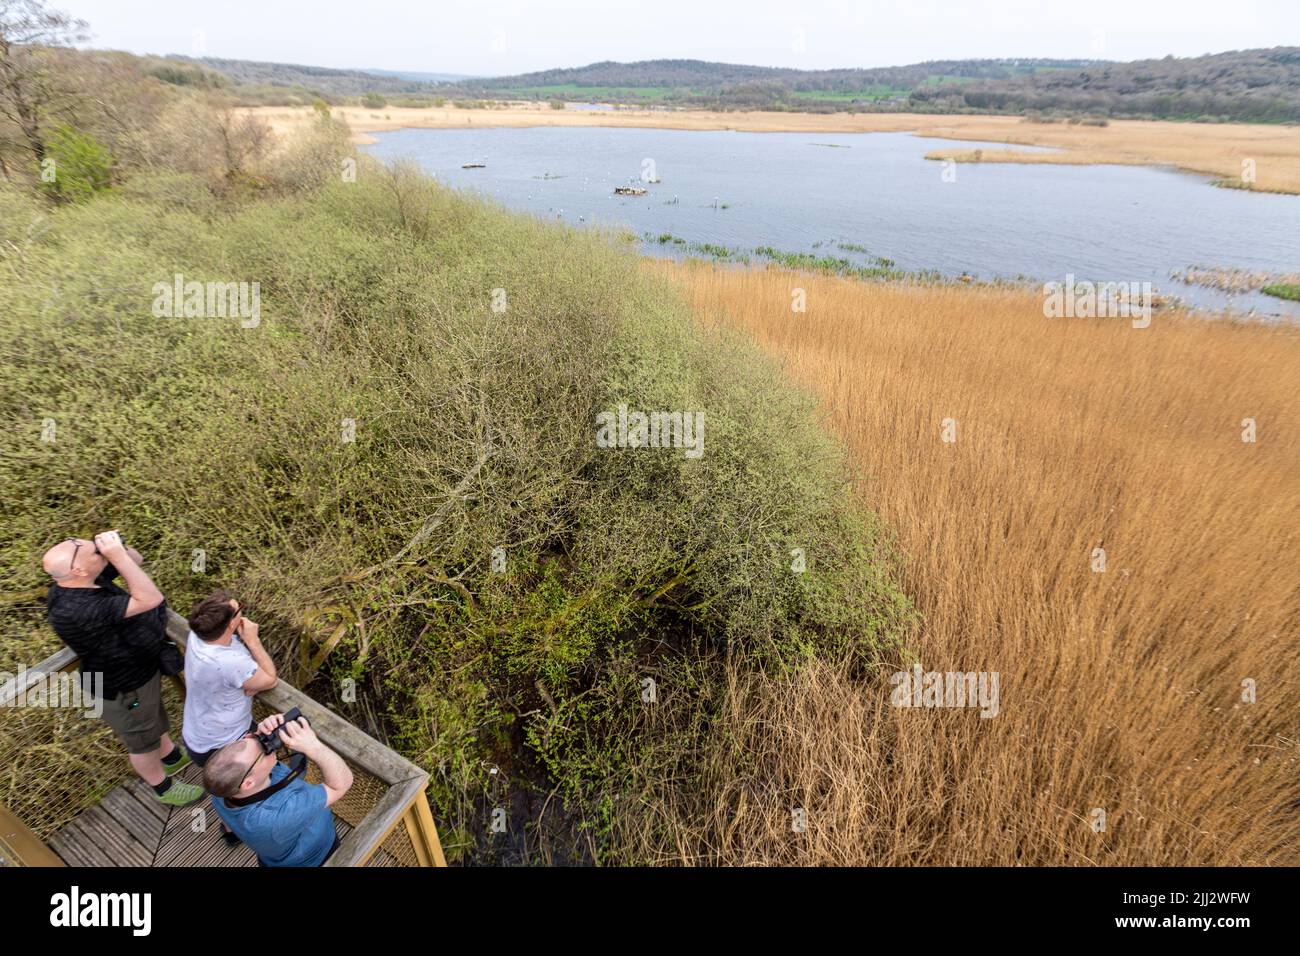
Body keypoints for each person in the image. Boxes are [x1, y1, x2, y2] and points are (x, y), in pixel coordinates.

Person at [42, 530, 203, 806]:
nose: (101, 551)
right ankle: (163, 788)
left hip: (139, 674)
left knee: (153, 721)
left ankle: (173, 759)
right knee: (141, 741)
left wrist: (117, 548)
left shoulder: (83, 579)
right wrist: (114, 555)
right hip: (121, 689)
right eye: (95, 551)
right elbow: (150, 599)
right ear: (79, 570)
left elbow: (135, 561)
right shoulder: (75, 608)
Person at [202, 712, 353, 866]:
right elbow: (341, 785)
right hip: (316, 857)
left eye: (248, 737)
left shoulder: (221, 791)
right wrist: (314, 746)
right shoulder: (276, 817)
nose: (266, 744)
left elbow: (240, 764)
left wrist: (260, 733)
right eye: (264, 749)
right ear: (248, 783)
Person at [181, 590, 278, 768]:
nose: (242, 610)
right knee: (250, 784)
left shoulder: (198, 635)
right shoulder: (230, 663)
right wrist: (253, 640)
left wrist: (246, 684)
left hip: (197, 734)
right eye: (239, 608)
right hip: (224, 743)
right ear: (230, 624)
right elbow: (271, 679)